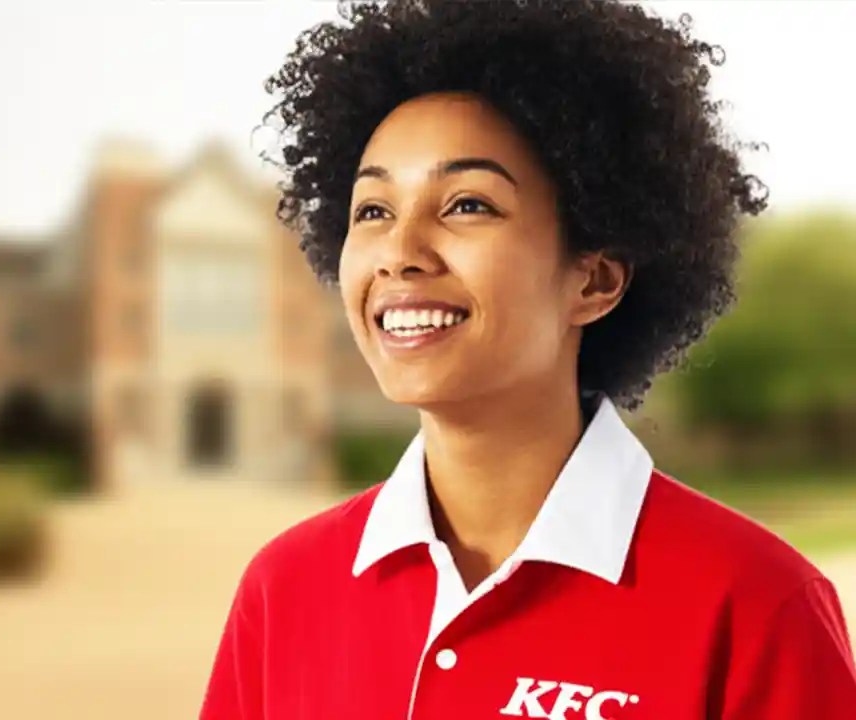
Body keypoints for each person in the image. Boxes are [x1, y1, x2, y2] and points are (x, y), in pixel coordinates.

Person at [199, 1, 856, 718]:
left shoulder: (755, 606)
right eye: (374, 211)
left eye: (468, 205)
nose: (401, 254)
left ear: (595, 279)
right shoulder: (283, 591)